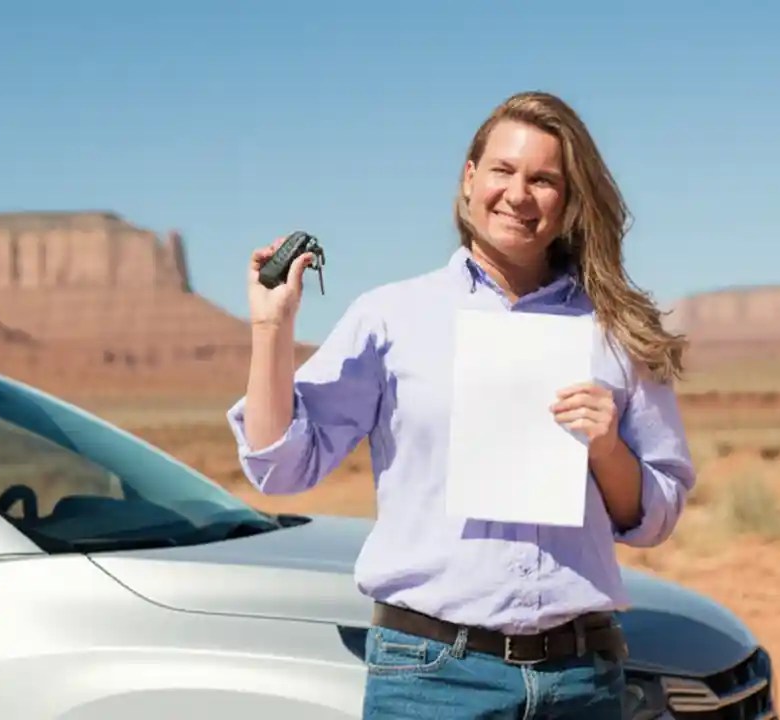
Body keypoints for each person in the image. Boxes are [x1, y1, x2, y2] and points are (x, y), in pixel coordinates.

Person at [226, 90, 696, 719]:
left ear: (570, 200)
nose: (518, 194)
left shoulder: (615, 330)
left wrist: (608, 449)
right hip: (432, 678)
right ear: (469, 179)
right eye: (502, 171)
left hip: (580, 680)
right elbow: (280, 468)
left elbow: (657, 516)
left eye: (543, 180)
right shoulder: (391, 316)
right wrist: (270, 332)